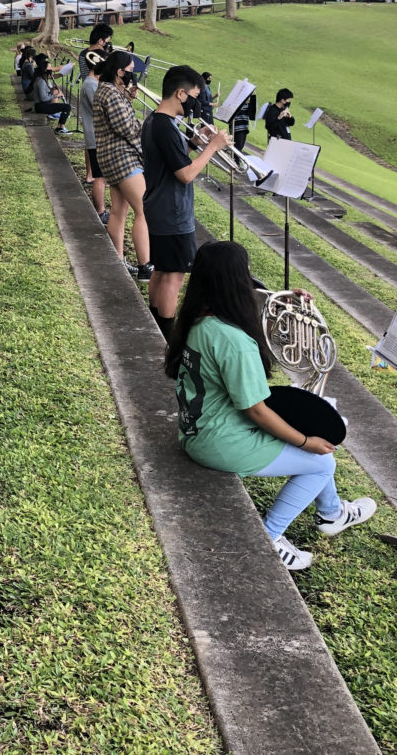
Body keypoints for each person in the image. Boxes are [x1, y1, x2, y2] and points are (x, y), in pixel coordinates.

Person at [166, 241, 376, 570]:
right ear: (237, 280)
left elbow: (251, 319)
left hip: (197, 430)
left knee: (314, 441)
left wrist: (290, 302)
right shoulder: (234, 341)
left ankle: (332, 513)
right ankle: (270, 536)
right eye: (246, 273)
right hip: (221, 442)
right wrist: (305, 441)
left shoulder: (199, 320)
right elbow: (256, 410)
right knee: (322, 462)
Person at [141, 65, 230, 338]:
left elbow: (173, 159)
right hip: (172, 212)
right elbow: (186, 174)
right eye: (195, 95)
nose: (197, 102)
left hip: (159, 207)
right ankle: (168, 337)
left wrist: (194, 141)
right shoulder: (165, 127)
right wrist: (213, 147)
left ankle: (156, 327)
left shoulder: (156, 121)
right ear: (180, 93)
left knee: (162, 272)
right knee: (174, 277)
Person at [93, 51, 151, 278]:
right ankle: (146, 266)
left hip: (111, 159)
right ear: (119, 72)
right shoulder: (110, 94)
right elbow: (127, 128)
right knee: (143, 210)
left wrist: (128, 98)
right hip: (123, 159)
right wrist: (150, 127)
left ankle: (118, 260)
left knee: (118, 212)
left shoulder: (111, 92)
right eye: (130, 71)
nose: (132, 76)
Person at [79, 55, 109, 224]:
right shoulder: (91, 84)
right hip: (95, 135)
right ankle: (100, 212)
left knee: (101, 176)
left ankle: (101, 211)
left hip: (96, 135)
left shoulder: (92, 83)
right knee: (100, 177)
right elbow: (100, 108)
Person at [30, 59, 70, 133]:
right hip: (40, 107)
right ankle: (60, 128)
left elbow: (45, 94)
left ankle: (60, 127)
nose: (51, 70)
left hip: (42, 105)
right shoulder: (41, 81)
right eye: (49, 68)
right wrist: (56, 95)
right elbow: (43, 98)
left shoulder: (43, 79)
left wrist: (52, 90)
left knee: (66, 107)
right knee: (67, 107)